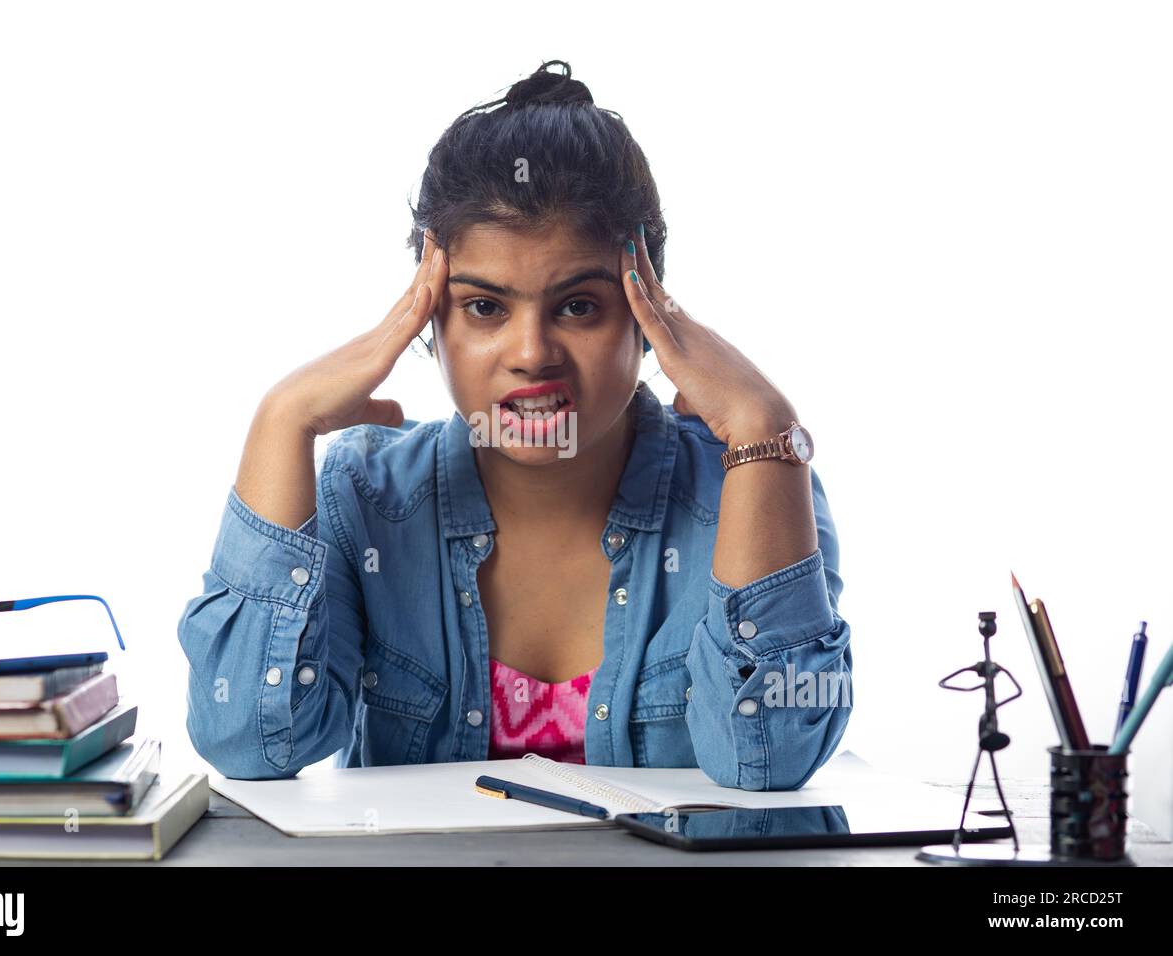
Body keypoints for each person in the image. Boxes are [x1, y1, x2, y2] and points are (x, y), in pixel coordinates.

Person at [177, 60, 852, 789]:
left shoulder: (751, 485)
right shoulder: (361, 494)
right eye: (486, 308)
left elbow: (771, 761)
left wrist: (765, 425)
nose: (531, 354)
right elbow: (248, 742)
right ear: (428, 319)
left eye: (579, 306)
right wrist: (280, 420)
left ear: (649, 316)